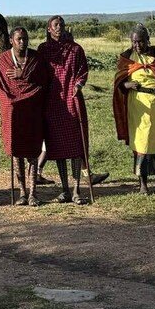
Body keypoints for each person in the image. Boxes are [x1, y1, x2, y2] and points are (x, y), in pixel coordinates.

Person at [38, 15, 109, 203]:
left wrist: (78, 85)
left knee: (76, 146)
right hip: (52, 102)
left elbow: (82, 71)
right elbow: (38, 74)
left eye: (61, 24)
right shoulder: (43, 50)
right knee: (59, 148)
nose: (59, 27)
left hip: (72, 99)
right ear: (48, 29)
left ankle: (77, 189)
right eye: (55, 25)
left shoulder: (76, 49)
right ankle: (65, 189)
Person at [113, 25, 155, 194]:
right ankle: (143, 184)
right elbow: (118, 82)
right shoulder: (127, 58)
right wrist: (127, 84)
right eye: (134, 42)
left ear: (148, 40)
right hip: (138, 105)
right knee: (141, 142)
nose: (137, 45)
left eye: (140, 41)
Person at [0, 27, 49, 207]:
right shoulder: (3, 60)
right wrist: (9, 103)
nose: (22, 42)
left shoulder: (36, 59)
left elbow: (44, 82)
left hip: (32, 111)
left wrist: (24, 74)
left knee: (33, 152)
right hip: (14, 112)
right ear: (11, 40)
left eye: (25, 38)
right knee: (16, 153)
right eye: (19, 39)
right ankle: (22, 192)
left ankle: (33, 193)